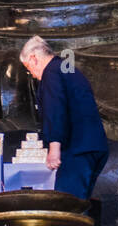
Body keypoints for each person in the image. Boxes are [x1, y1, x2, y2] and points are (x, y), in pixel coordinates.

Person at [19, 36, 109, 200]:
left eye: (27, 67)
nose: (31, 74)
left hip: (77, 148)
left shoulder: (51, 73)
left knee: (66, 207)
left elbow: (56, 108)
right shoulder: (66, 68)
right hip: (94, 145)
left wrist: (54, 147)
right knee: (80, 206)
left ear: (33, 58)